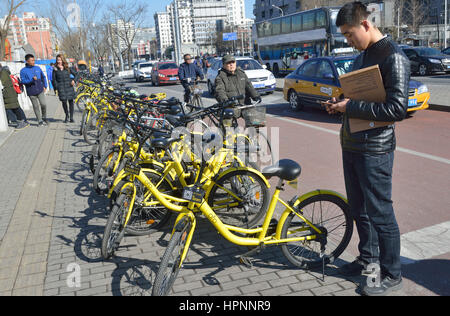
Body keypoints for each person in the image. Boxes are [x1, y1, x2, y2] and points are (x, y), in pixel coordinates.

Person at [325, 2, 410, 296]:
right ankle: (368, 261)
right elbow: (358, 95)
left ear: (365, 24)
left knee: (380, 213)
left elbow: (397, 109)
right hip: (352, 143)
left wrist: (353, 106)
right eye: (344, 36)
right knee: (360, 209)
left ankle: (391, 273)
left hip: (375, 149)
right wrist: (340, 103)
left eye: (349, 34)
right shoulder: (364, 56)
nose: (348, 40)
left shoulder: (393, 56)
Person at [214, 55, 261, 127]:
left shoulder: (241, 73)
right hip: (230, 107)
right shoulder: (220, 77)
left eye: (233, 62)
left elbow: (249, 86)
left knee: (257, 122)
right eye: (228, 63)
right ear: (223, 65)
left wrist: (256, 96)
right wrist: (225, 101)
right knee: (227, 128)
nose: (231, 64)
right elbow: (219, 91)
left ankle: (253, 137)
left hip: (245, 104)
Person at [20, 54, 49, 126]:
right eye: (32, 60)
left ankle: (44, 117)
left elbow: (43, 77)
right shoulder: (23, 71)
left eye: (34, 60)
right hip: (31, 91)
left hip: (40, 89)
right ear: (27, 61)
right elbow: (23, 81)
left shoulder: (37, 68)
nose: (33, 61)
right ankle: (40, 121)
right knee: (35, 106)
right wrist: (31, 80)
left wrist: (45, 85)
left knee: (43, 104)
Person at [0, 63, 29, 129]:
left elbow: (3, 83)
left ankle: (23, 121)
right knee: (12, 108)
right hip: (9, 93)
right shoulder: (4, 71)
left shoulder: (3, 72)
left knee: (15, 108)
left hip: (8, 93)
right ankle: (22, 121)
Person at [52, 54, 77, 123]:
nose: (59, 61)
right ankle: (66, 115)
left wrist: (73, 80)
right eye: (57, 60)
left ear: (63, 60)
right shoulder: (55, 69)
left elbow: (76, 74)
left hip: (69, 87)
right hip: (61, 88)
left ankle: (71, 117)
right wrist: (56, 87)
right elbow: (54, 80)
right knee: (64, 102)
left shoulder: (67, 67)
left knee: (71, 102)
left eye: (60, 60)